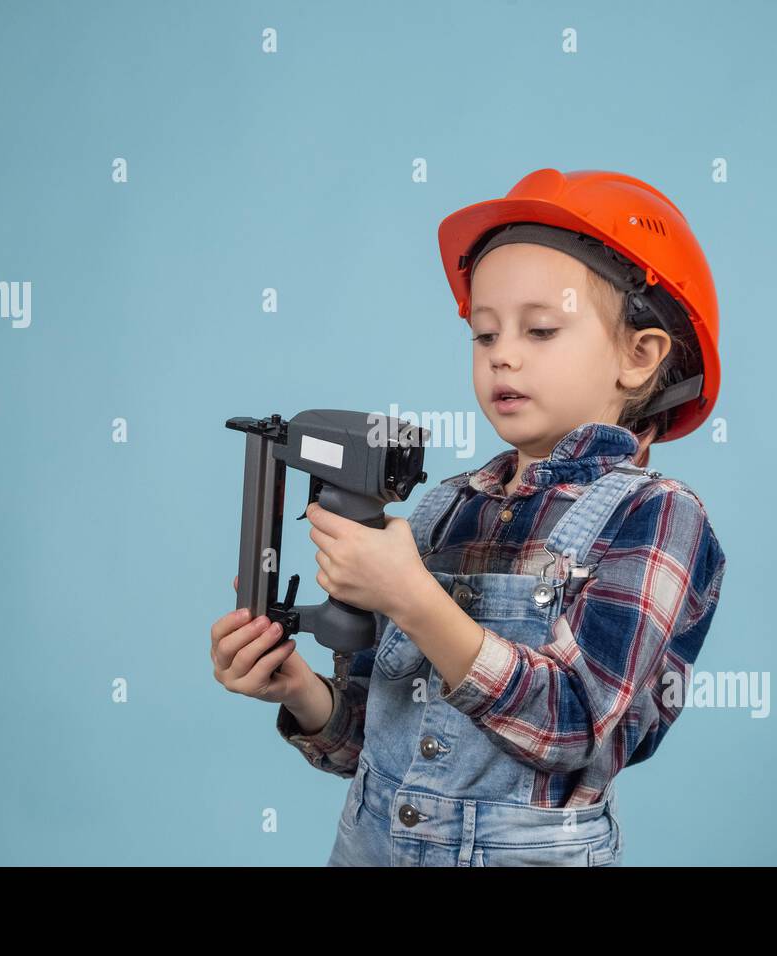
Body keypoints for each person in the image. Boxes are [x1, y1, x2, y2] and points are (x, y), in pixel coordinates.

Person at [210, 168, 727, 866]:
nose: (503, 353)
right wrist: (302, 692)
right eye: (484, 336)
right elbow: (375, 737)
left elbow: (574, 726)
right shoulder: (442, 510)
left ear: (639, 357)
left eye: (541, 329)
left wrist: (414, 599)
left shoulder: (656, 517)